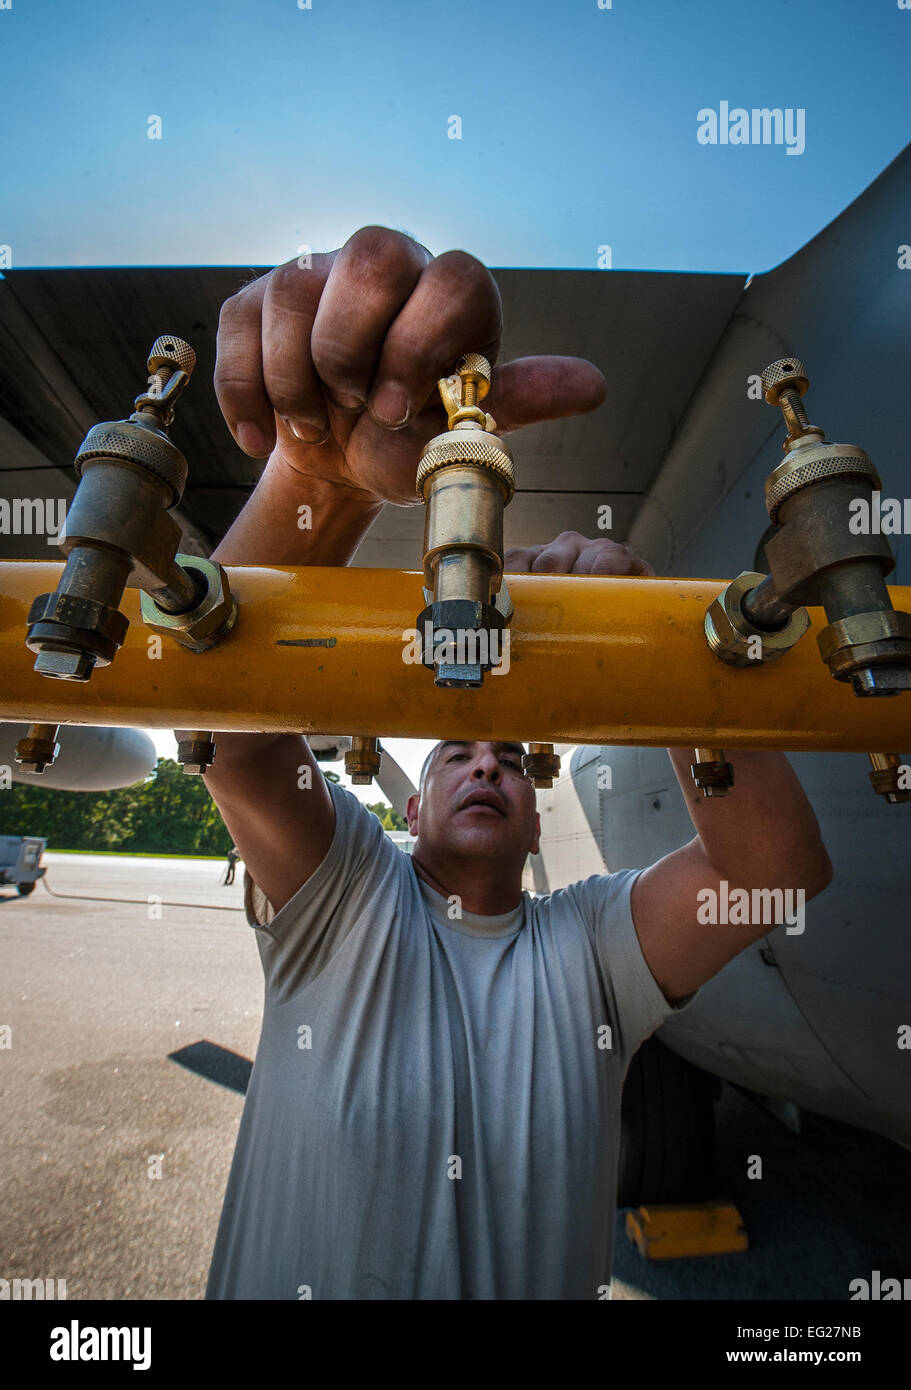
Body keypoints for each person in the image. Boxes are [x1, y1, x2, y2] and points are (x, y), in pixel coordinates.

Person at [185, 227, 833, 1299]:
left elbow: (769, 866)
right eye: (452, 755)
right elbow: (233, 736)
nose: (481, 765)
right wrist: (315, 481)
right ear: (408, 804)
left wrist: (668, 653)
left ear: (538, 818)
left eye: (501, 758)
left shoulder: (589, 948)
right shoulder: (347, 894)